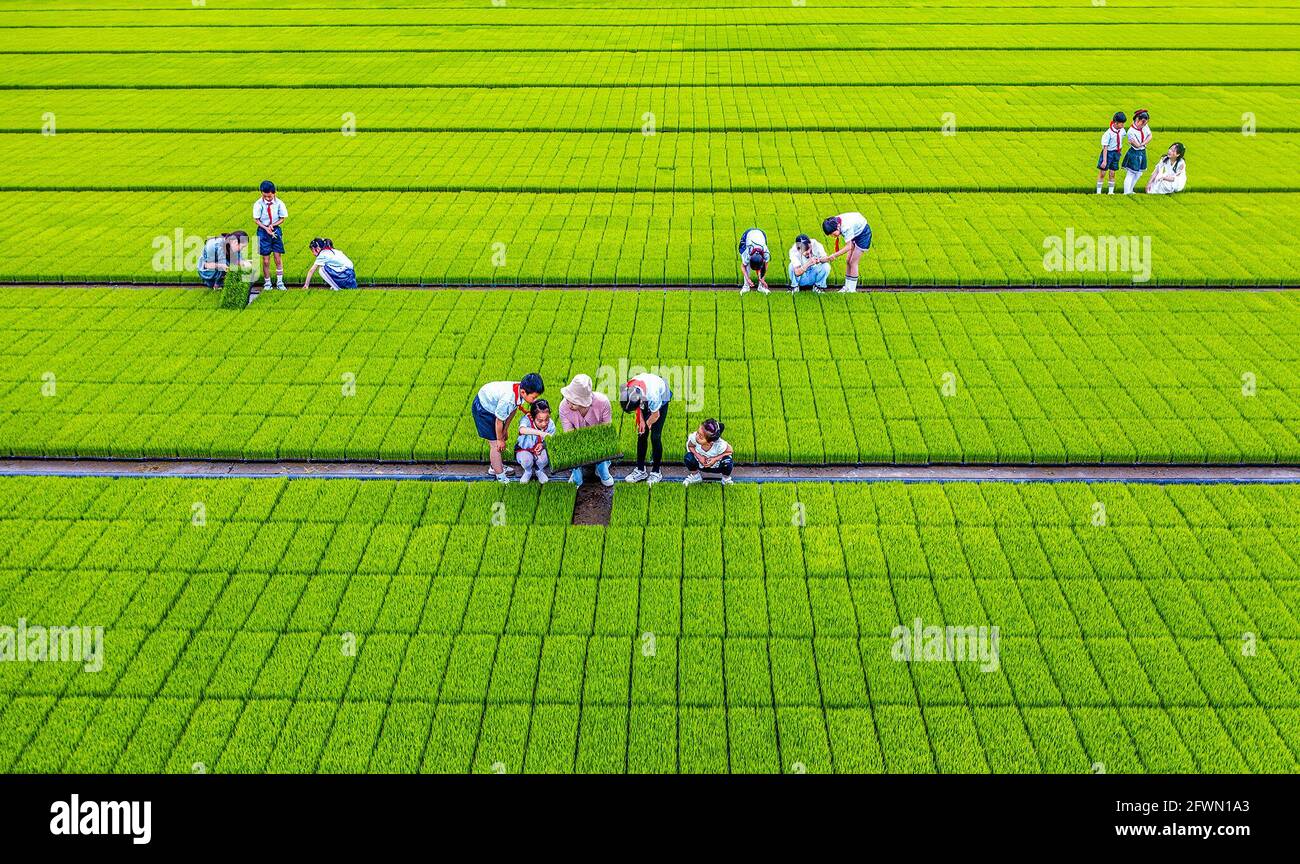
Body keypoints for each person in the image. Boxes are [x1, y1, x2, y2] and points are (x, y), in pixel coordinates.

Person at [471, 373, 545, 483]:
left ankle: (495, 466)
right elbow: (499, 420)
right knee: (495, 445)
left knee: (499, 438)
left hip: (493, 404)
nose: (535, 400)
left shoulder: (520, 390)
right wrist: (500, 439)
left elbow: (514, 409)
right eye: (534, 397)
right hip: (483, 409)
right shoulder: (508, 399)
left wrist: (505, 430)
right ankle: (500, 476)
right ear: (524, 392)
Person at [558, 373, 615, 487]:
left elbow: (605, 430)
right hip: (577, 439)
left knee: (602, 447)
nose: (569, 403)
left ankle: (601, 468)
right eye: (568, 399)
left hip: (598, 437)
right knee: (569, 446)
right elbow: (569, 434)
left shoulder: (603, 402)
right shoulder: (563, 406)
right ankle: (576, 473)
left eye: (573, 402)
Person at [619, 372, 672, 485]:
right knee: (641, 434)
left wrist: (647, 424)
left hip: (661, 395)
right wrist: (641, 421)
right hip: (645, 390)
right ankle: (640, 470)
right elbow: (639, 408)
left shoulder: (652, 395)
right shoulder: (628, 388)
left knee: (655, 437)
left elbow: (655, 415)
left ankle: (656, 472)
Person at [817, 212, 872, 293]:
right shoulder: (834, 222)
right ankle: (847, 287)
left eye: (833, 233)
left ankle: (852, 290)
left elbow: (848, 247)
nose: (833, 236)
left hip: (863, 234)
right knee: (848, 261)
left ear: (838, 227)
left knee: (853, 262)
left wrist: (833, 256)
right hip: (855, 231)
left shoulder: (846, 227)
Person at [253, 179, 288, 292]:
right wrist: (266, 228)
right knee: (266, 260)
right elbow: (256, 220)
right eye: (265, 196)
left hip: (275, 230)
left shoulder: (279, 203)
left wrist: (273, 225)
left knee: (278, 258)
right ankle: (267, 283)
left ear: (274, 193)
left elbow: (282, 218)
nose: (267, 198)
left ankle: (280, 282)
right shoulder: (258, 204)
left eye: (269, 196)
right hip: (263, 231)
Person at [515, 399, 555, 484]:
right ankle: (528, 471)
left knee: (544, 459)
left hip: (539, 449)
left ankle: (539, 470)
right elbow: (522, 430)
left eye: (547, 419)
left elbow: (551, 439)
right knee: (526, 460)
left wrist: (542, 445)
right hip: (525, 449)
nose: (544, 423)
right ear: (532, 417)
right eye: (540, 420)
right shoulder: (526, 420)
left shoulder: (551, 424)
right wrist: (541, 433)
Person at [683, 419, 733, 485]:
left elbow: (730, 451)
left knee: (728, 462)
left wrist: (715, 459)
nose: (697, 436)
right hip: (700, 464)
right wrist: (699, 456)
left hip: (716, 466)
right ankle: (696, 477)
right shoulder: (694, 437)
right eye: (698, 432)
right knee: (688, 457)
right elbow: (690, 446)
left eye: (700, 436)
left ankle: (726, 479)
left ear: (711, 441)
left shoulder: (720, 445)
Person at [1122, 109, 1152, 195]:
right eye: (1142, 123)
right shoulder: (1131, 132)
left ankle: (1130, 190)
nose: (1144, 125)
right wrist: (1143, 144)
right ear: (1137, 119)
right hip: (1134, 153)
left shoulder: (1145, 126)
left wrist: (1142, 143)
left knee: (1139, 173)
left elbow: (1150, 136)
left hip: (1142, 152)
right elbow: (1136, 145)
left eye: (1145, 123)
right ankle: (1126, 192)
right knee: (1131, 173)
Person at [1096, 111, 1127, 195]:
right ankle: (1098, 192)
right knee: (1103, 173)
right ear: (1116, 123)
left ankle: (1111, 192)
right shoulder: (1108, 133)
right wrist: (1104, 161)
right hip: (1108, 153)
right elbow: (1105, 147)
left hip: (1116, 153)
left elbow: (1123, 137)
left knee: (1112, 173)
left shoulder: (1122, 131)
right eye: (1121, 123)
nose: (1123, 125)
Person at [738, 227, 771, 294]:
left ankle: (761, 287)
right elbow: (742, 266)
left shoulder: (766, 253)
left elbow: (765, 266)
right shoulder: (748, 252)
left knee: (760, 268)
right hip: (748, 235)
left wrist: (762, 279)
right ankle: (746, 286)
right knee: (746, 265)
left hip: (761, 234)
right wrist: (748, 279)